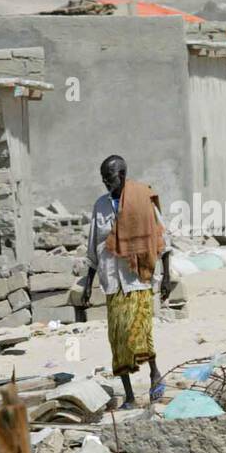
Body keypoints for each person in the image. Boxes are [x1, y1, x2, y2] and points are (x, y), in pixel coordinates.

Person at [78, 156, 172, 409]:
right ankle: (129, 396)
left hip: (137, 278)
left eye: (109, 178)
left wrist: (167, 278)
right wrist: (87, 284)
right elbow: (93, 248)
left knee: (140, 333)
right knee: (118, 339)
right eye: (103, 179)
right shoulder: (100, 206)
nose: (106, 183)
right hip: (111, 281)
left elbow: (162, 240)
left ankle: (154, 375)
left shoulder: (142, 199)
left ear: (122, 174)